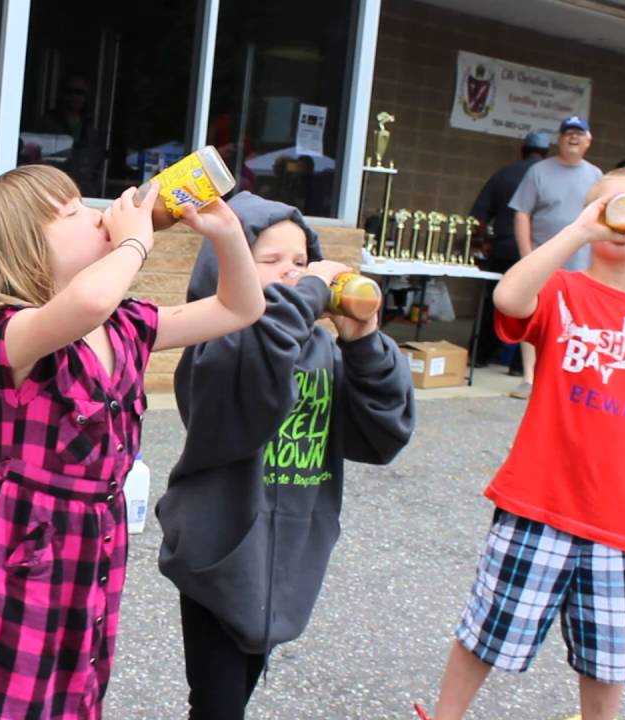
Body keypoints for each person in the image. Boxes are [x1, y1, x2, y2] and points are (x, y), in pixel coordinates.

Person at [0, 165, 266, 720]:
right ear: (23, 250)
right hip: (30, 546)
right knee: (10, 697)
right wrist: (135, 239)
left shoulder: (126, 323)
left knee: (76, 686)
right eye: (74, 213)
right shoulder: (10, 334)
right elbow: (85, 303)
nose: (100, 216)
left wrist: (227, 234)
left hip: (97, 541)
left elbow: (240, 308)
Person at [156, 192, 416, 719]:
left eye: (302, 262)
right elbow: (259, 362)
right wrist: (312, 291)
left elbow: (382, 435)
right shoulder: (216, 347)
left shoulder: (320, 351)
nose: (293, 275)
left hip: (289, 556)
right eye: (271, 261)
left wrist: (364, 343)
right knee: (217, 705)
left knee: (237, 698)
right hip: (219, 553)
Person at [419, 168, 625, 720]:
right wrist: (579, 231)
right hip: (538, 503)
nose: (623, 215)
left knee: (609, 659)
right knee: (488, 629)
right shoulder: (564, 291)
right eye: (608, 205)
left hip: (620, 521)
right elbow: (509, 295)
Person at [507, 115, 603, 399]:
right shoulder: (539, 171)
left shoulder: (596, 176)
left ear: (588, 141)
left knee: (578, 320)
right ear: (559, 140)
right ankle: (529, 377)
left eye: (579, 133)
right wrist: (527, 254)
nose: (573, 138)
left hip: (582, 263)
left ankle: (565, 378)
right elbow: (522, 212)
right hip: (542, 259)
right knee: (533, 314)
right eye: (567, 133)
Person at [468, 130, 550, 370]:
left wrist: (481, 241)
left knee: (495, 302)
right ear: (545, 153)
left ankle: (480, 356)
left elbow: (479, 216)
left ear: (522, 150)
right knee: (534, 305)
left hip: (504, 248)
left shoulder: (503, 175)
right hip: (538, 251)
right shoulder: (546, 177)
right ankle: (520, 366)